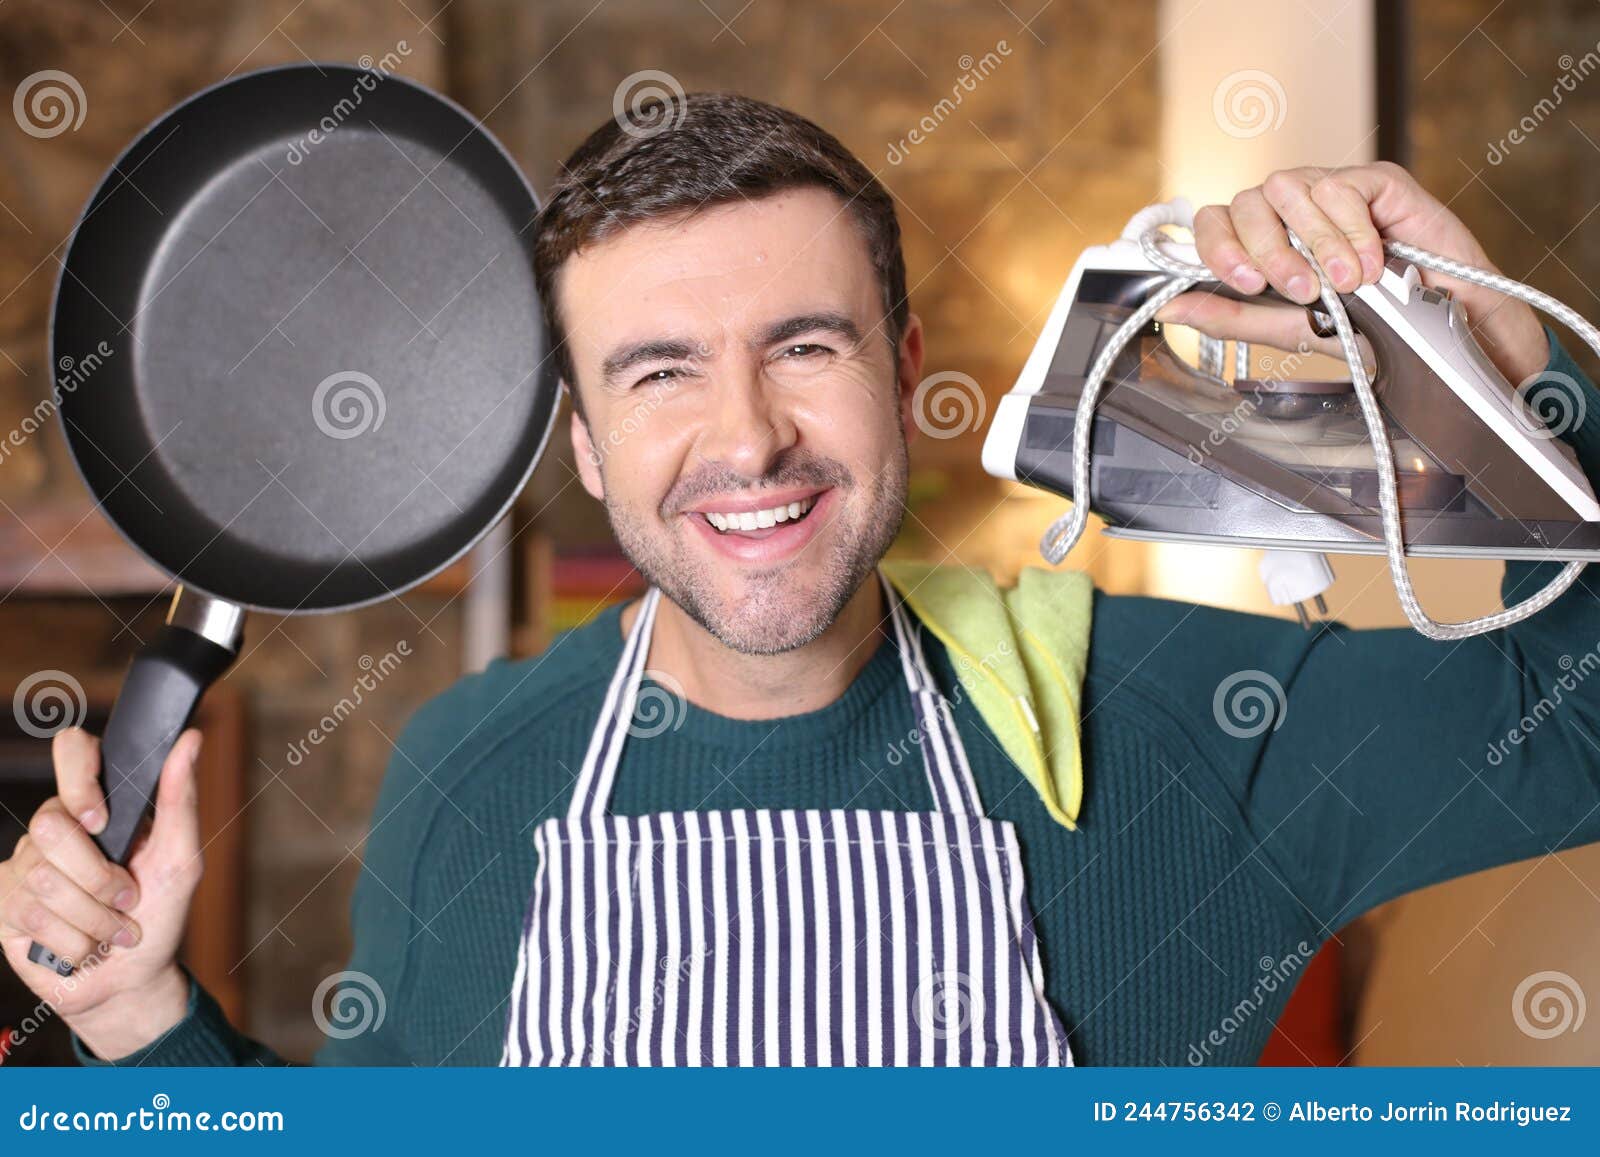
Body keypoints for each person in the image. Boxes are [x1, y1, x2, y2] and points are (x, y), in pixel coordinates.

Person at [3, 92, 1597, 1067]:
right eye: (658, 372)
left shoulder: (1176, 719)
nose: (748, 439)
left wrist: (1510, 380)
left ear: (906, 368)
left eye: (805, 347)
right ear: (580, 439)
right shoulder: (470, 776)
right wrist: (146, 1017)